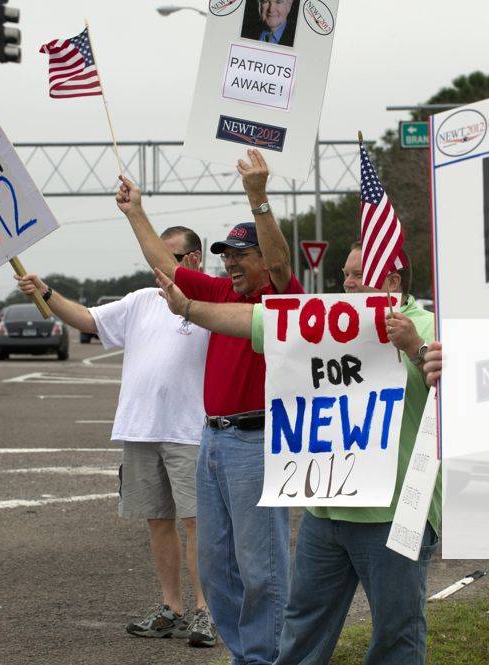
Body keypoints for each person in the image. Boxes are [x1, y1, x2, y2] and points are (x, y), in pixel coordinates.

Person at [152, 241, 442, 664]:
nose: (346, 283)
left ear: (392, 280)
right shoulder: (328, 322)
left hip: (395, 513)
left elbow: (455, 389)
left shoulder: (429, 325)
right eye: (344, 273)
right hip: (327, 513)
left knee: (396, 634)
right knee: (302, 629)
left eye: (357, 275)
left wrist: (415, 347)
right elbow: (253, 319)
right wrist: (190, 309)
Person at [116, 149, 301, 665]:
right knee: (218, 567)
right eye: (227, 255)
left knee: (261, 566)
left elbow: (282, 262)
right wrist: (136, 213)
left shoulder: (280, 299)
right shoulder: (222, 291)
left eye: (241, 255)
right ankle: (246, 656)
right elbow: (164, 266)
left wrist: (257, 197)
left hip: (257, 441)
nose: (231, 262)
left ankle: (267, 659)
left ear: (263, 260)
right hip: (212, 441)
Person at [13, 226, 216, 647]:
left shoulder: (210, 300)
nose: (161, 265)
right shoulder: (141, 301)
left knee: (199, 523)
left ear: (195, 259)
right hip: (140, 429)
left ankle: (207, 612)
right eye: (157, 257)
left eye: (171, 257)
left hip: (189, 430)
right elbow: (87, 319)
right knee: (158, 521)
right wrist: (46, 292)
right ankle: (171, 608)